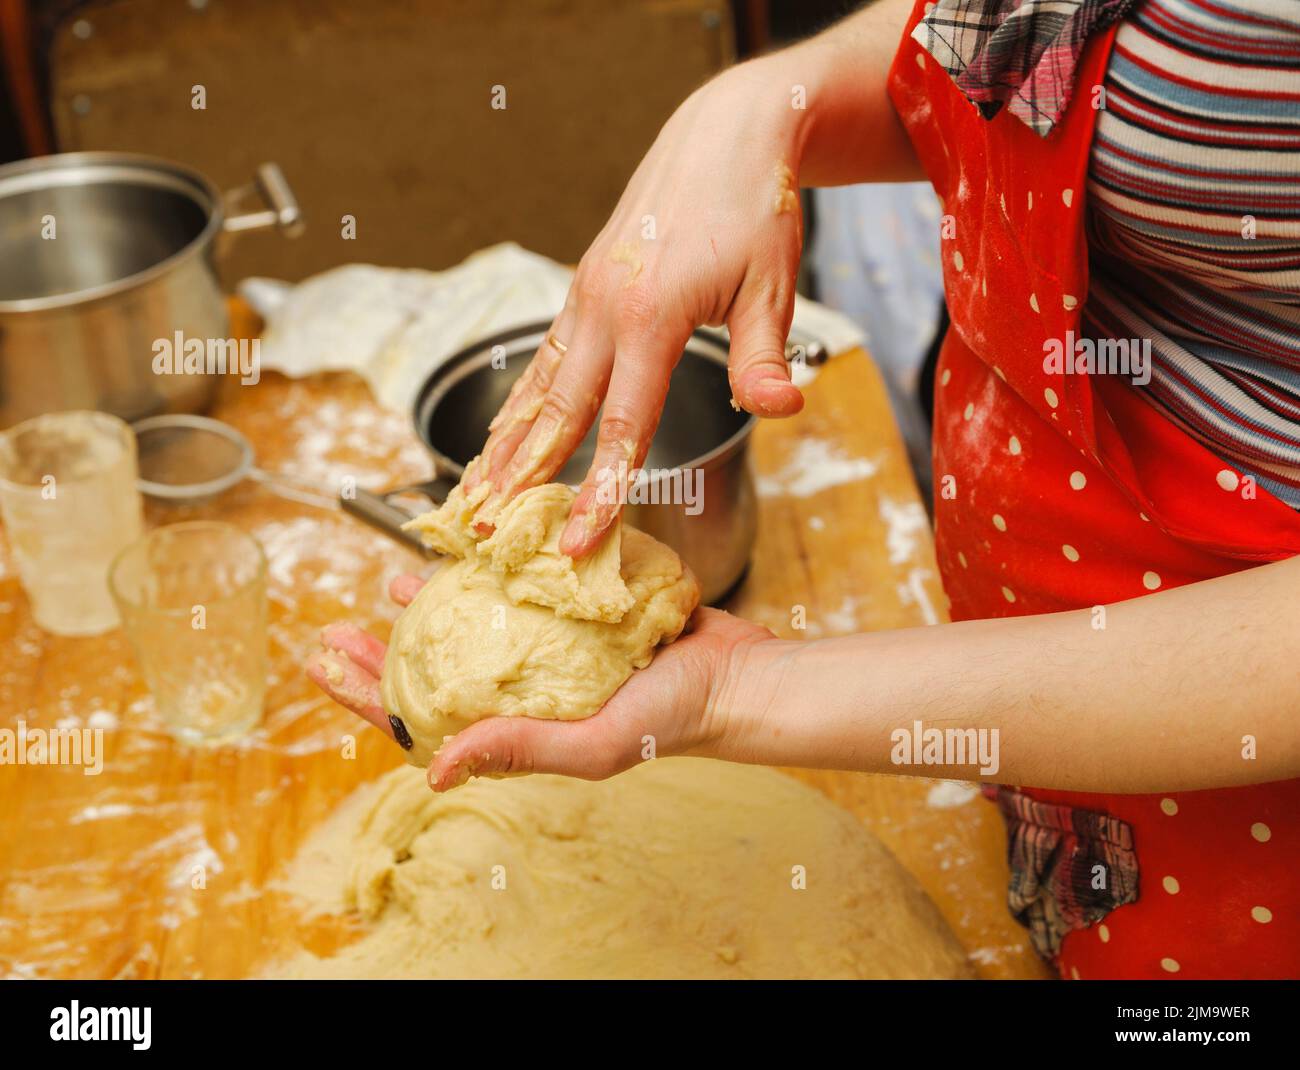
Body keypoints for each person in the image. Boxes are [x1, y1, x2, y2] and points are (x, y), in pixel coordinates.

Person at [309, 0, 1300, 979]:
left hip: (1249, 816)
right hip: (1042, 707)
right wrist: (765, 107)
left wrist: (758, 690)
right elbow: (1011, 49)